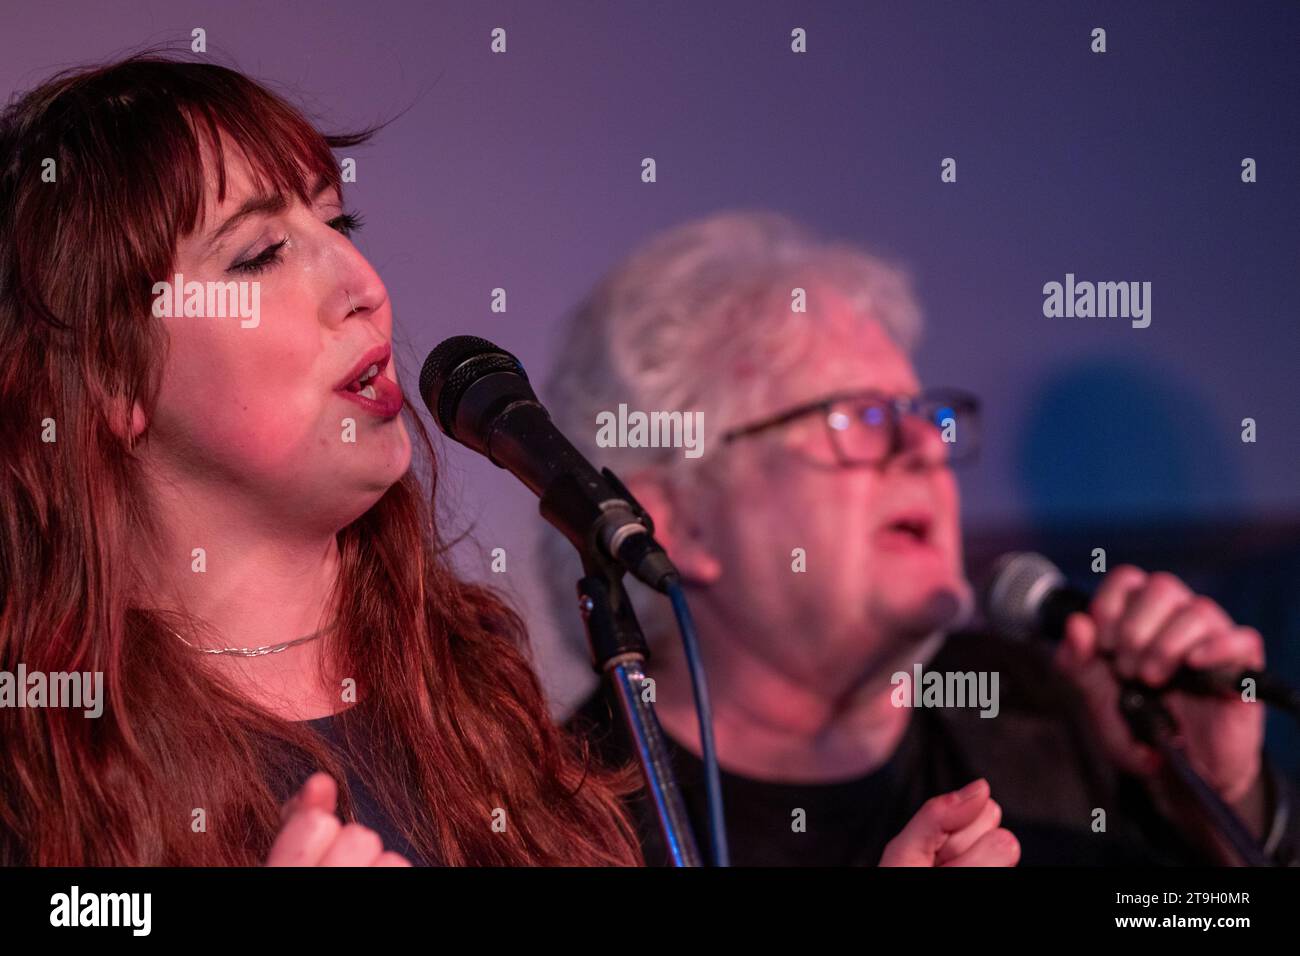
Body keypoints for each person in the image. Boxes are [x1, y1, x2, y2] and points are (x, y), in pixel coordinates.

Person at [0, 52, 641, 866]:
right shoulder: (35, 773)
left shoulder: (474, 687)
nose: (364, 284)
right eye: (260, 255)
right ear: (111, 377)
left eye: (339, 225)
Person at [545, 210, 1300, 866]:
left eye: (926, 414)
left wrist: (1216, 801)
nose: (927, 447)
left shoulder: (1060, 712)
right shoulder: (556, 824)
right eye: (863, 419)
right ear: (677, 521)